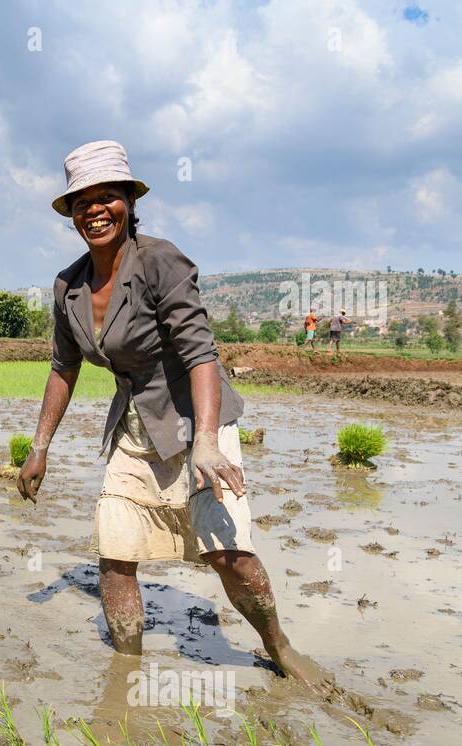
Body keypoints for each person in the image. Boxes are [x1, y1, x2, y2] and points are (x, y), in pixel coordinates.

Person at [17, 140, 327, 688]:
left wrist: (206, 441)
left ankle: (278, 644)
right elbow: (63, 369)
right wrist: (39, 447)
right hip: (135, 427)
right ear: (71, 215)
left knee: (227, 554)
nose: (94, 210)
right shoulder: (69, 286)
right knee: (114, 555)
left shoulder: (160, 260)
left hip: (193, 420)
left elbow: (201, 352)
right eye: (82, 201)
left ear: (129, 203)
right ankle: (126, 676)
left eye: (106, 197)